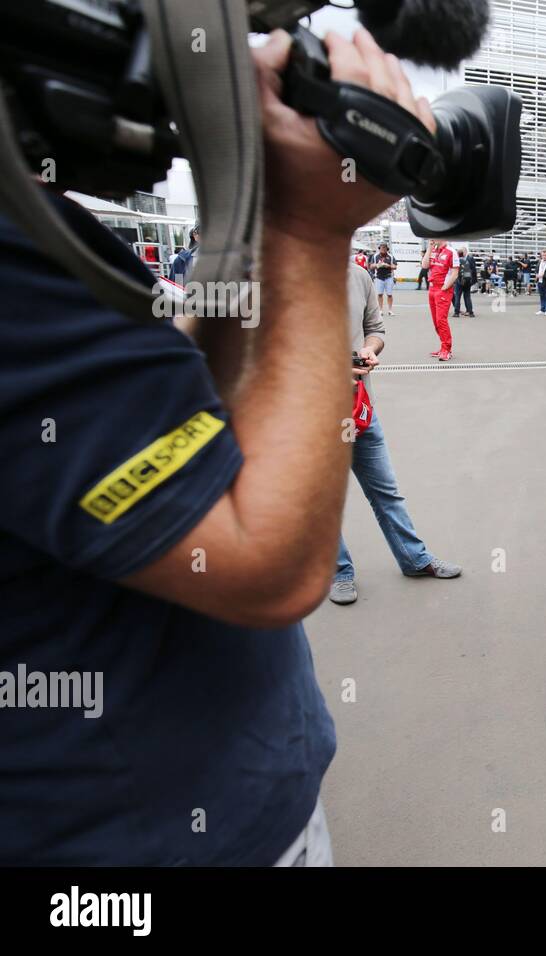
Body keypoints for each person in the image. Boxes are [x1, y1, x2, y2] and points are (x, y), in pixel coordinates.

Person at [0, 25, 436, 865]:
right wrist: (308, 230)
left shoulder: (37, 228)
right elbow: (268, 565)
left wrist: (259, 199)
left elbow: (184, 404)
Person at [330, 263, 461, 607]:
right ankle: (338, 572)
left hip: (360, 408)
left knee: (386, 492)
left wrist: (371, 348)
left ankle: (415, 559)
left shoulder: (358, 276)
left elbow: (375, 329)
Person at [421, 238, 457, 360]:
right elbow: (424, 265)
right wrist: (430, 248)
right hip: (432, 289)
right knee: (436, 322)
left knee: (441, 320)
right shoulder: (433, 250)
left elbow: (455, 273)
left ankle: (446, 350)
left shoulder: (451, 251)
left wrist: (444, 287)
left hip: (443, 290)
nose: (432, 238)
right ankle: (443, 347)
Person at [369, 240, 396, 316]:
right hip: (379, 277)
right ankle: (380, 310)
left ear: (387, 248)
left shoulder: (390, 256)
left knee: (389, 294)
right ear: (379, 248)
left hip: (388, 277)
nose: (383, 249)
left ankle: (390, 310)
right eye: (381, 247)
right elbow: (371, 266)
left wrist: (388, 266)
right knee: (380, 294)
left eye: (384, 247)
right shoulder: (375, 256)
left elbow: (395, 266)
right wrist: (377, 265)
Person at [453, 246, 477, 318]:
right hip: (467, 280)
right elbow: (473, 270)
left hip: (459, 281)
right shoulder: (468, 259)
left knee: (457, 296)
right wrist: (472, 281)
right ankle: (470, 312)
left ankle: (456, 312)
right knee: (467, 296)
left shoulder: (456, 260)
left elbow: (454, 271)